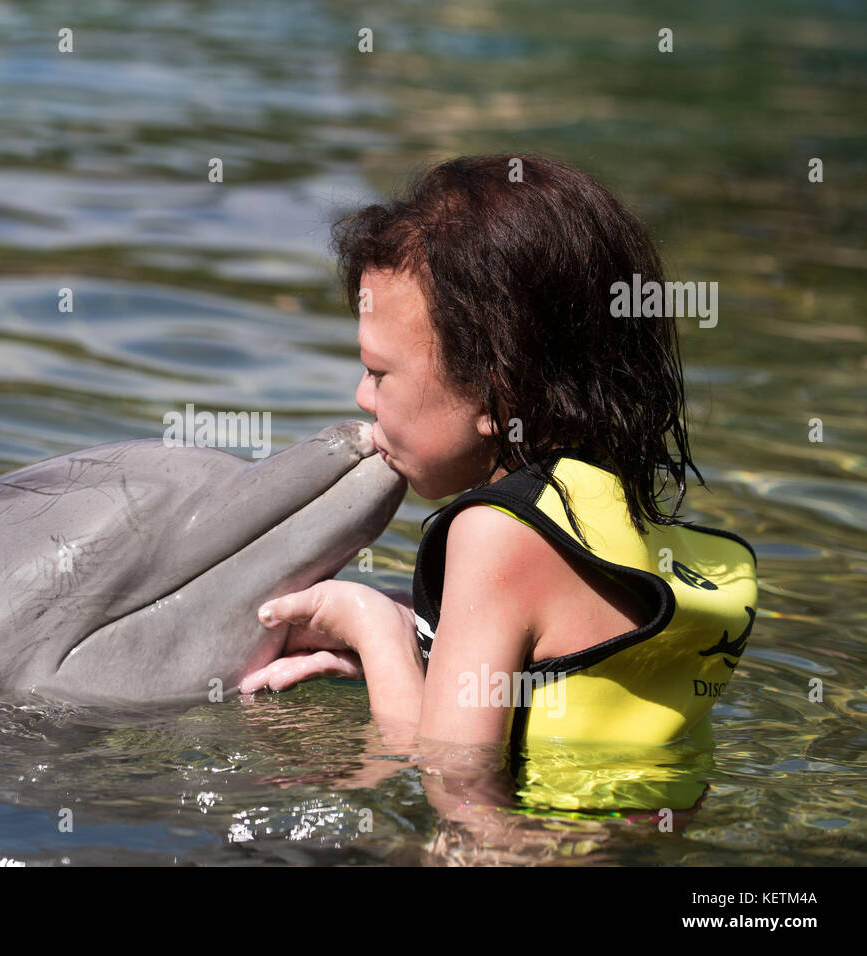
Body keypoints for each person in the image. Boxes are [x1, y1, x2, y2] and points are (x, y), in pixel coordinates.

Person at [239, 154, 759, 766]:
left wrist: (370, 626)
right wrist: (418, 644)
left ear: (495, 394)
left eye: (380, 372)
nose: (362, 395)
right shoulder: (600, 505)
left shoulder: (497, 534)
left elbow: (448, 774)